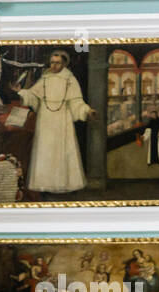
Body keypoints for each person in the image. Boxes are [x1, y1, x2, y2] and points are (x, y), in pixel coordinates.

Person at [11, 50, 97, 194]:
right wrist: (21, 92)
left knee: (62, 153)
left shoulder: (70, 79)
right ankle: (45, 185)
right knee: (45, 152)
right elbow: (33, 96)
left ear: (64, 63)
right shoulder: (45, 78)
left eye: (57, 62)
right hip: (45, 120)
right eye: (52, 62)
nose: (54, 65)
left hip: (63, 119)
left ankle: (64, 186)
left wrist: (87, 111)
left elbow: (76, 102)